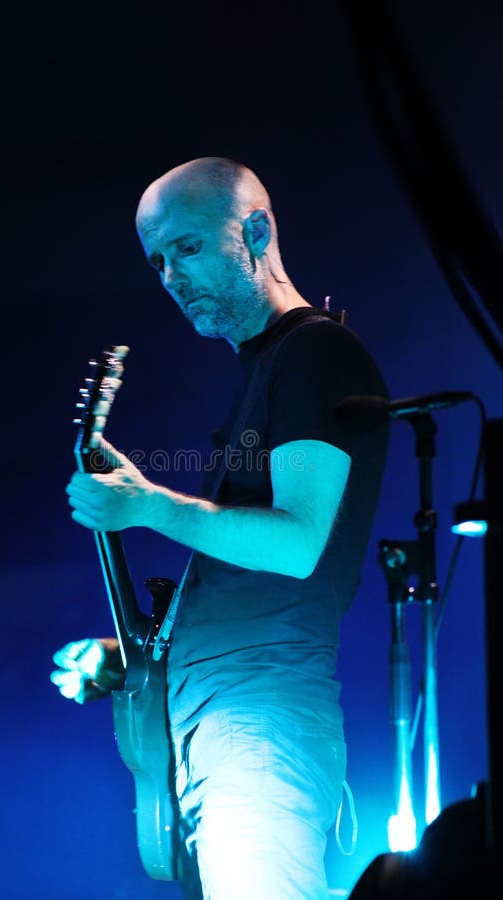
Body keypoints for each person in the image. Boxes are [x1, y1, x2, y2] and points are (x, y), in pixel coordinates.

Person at [50, 156, 391, 899]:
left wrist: (148, 504)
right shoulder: (266, 371)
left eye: (190, 247)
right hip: (217, 726)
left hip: (260, 727)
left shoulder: (316, 353)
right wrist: (135, 657)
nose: (172, 276)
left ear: (258, 229)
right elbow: (246, 572)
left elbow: (297, 545)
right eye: (159, 261)